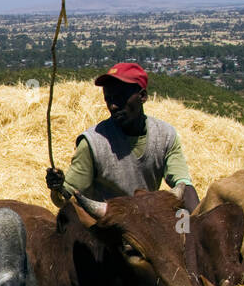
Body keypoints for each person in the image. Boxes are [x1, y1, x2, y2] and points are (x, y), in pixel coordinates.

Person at [46, 62, 199, 213]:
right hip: (104, 226)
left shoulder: (165, 136)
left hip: (145, 221)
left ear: (143, 96)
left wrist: (197, 220)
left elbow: (183, 183)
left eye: (120, 98)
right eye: (109, 99)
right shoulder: (93, 143)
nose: (113, 106)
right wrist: (57, 187)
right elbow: (66, 196)